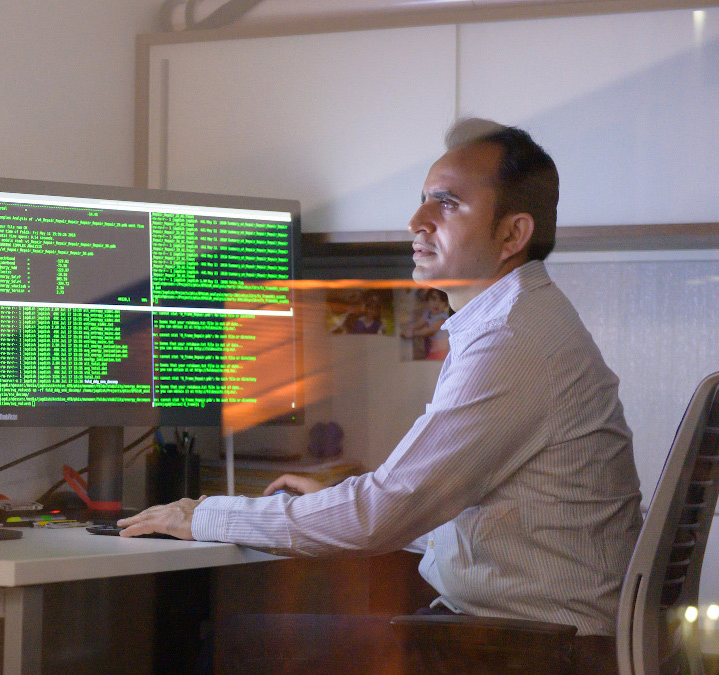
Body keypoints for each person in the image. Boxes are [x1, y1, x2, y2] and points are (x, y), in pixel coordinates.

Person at [117, 118, 643, 673]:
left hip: (529, 652)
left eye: (447, 204)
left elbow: (379, 519)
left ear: (512, 235)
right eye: (422, 201)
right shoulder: (517, 322)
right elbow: (466, 515)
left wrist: (203, 516)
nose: (416, 221)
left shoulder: (512, 339)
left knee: (229, 645)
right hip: (532, 637)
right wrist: (340, 498)